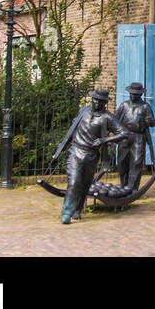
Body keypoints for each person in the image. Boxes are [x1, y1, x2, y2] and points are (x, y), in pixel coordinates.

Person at [54, 89, 124, 224]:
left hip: (91, 155)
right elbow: (72, 129)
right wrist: (61, 147)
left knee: (85, 184)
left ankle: (77, 209)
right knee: (74, 182)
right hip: (76, 151)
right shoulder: (83, 111)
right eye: (95, 99)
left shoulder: (107, 117)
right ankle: (66, 212)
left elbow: (124, 133)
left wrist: (104, 141)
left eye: (100, 101)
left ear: (104, 103)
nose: (96, 103)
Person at [116, 82, 155, 191]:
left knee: (136, 162)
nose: (133, 95)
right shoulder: (124, 105)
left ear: (140, 95)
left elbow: (153, 123)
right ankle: (123, 185)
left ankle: (132, 188)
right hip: (124, 136)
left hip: (139, 136)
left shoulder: (145, 107)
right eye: (132, 93)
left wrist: (150, 121)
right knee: (122, 162)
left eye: (136, 94)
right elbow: (115, 121)